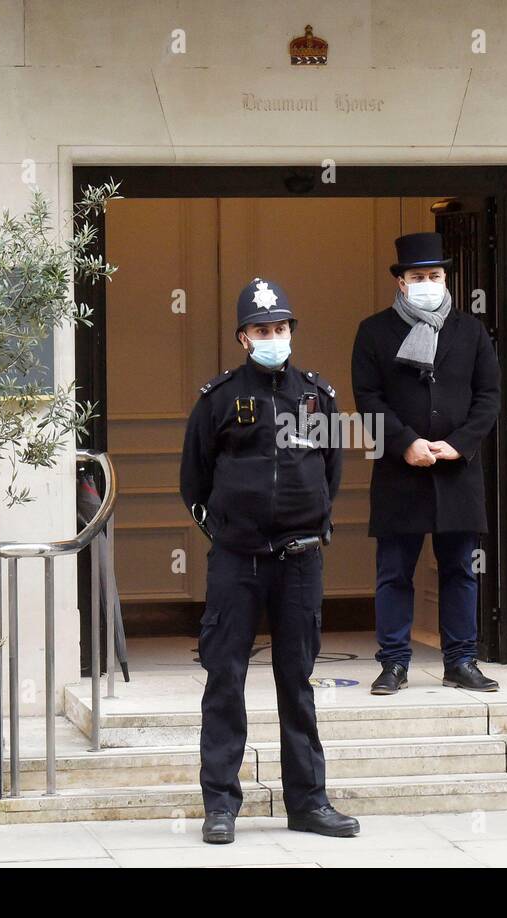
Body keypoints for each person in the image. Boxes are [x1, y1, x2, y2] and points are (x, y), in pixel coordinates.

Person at [180, 276, 359, 845]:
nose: (273, 337)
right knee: (225, 678)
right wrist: (228, 529)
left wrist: (314, 521)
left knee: (297, 680)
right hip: (237, 561)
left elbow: (331, 467)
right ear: (243, 337)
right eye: (262, 329)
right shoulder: (218, 399)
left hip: (300, 560)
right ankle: (221, 805)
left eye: (280, 328)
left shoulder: (317, 395)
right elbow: (194, 480)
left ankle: (308, 802)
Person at [350, 232, 501, 695]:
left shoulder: (470, 331)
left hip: (457, 471)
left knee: (459, 569)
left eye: (434, 275)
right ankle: (393, 663)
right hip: (401, 470)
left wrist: (459, 443)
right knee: (394, 571)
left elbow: (489, 395)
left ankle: (461, 660)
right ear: (401, 283)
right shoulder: (374, 331)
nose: (428, 283)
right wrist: (405, 442)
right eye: (418, 276)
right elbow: (368, 397)